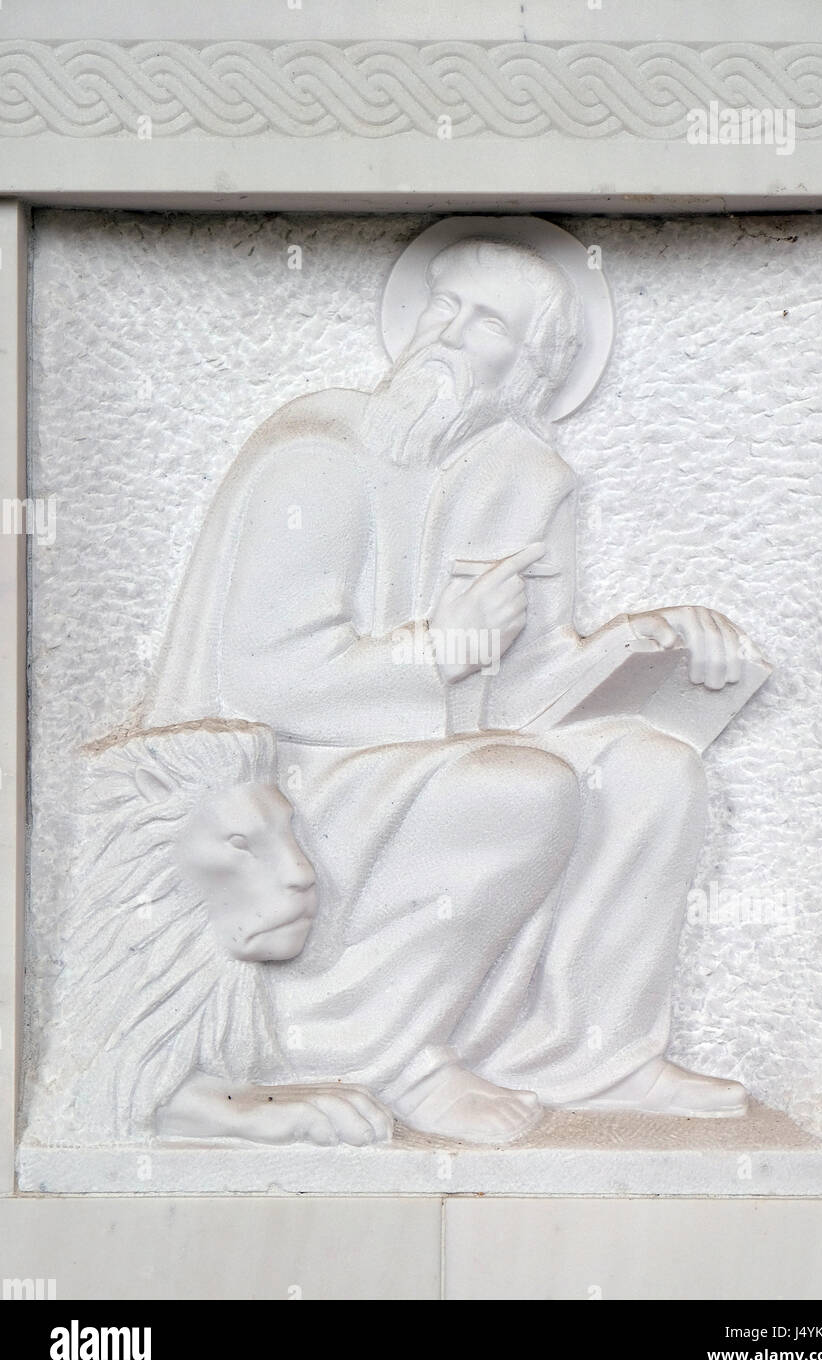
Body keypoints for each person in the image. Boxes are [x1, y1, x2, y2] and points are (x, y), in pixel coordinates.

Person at [143, 236, 753, 1143]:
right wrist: (435, 650)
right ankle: (378, 1053)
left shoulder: (527, 479)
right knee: (522, 787)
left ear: (536, 364)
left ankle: (593, 1050)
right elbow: (261, 677)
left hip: (427, 752)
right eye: (443, 306)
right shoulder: (321, 455)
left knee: (652, 771)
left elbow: (510, 698)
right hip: (297, 768)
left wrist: (634, 646)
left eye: (487, 321)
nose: (449, 334)